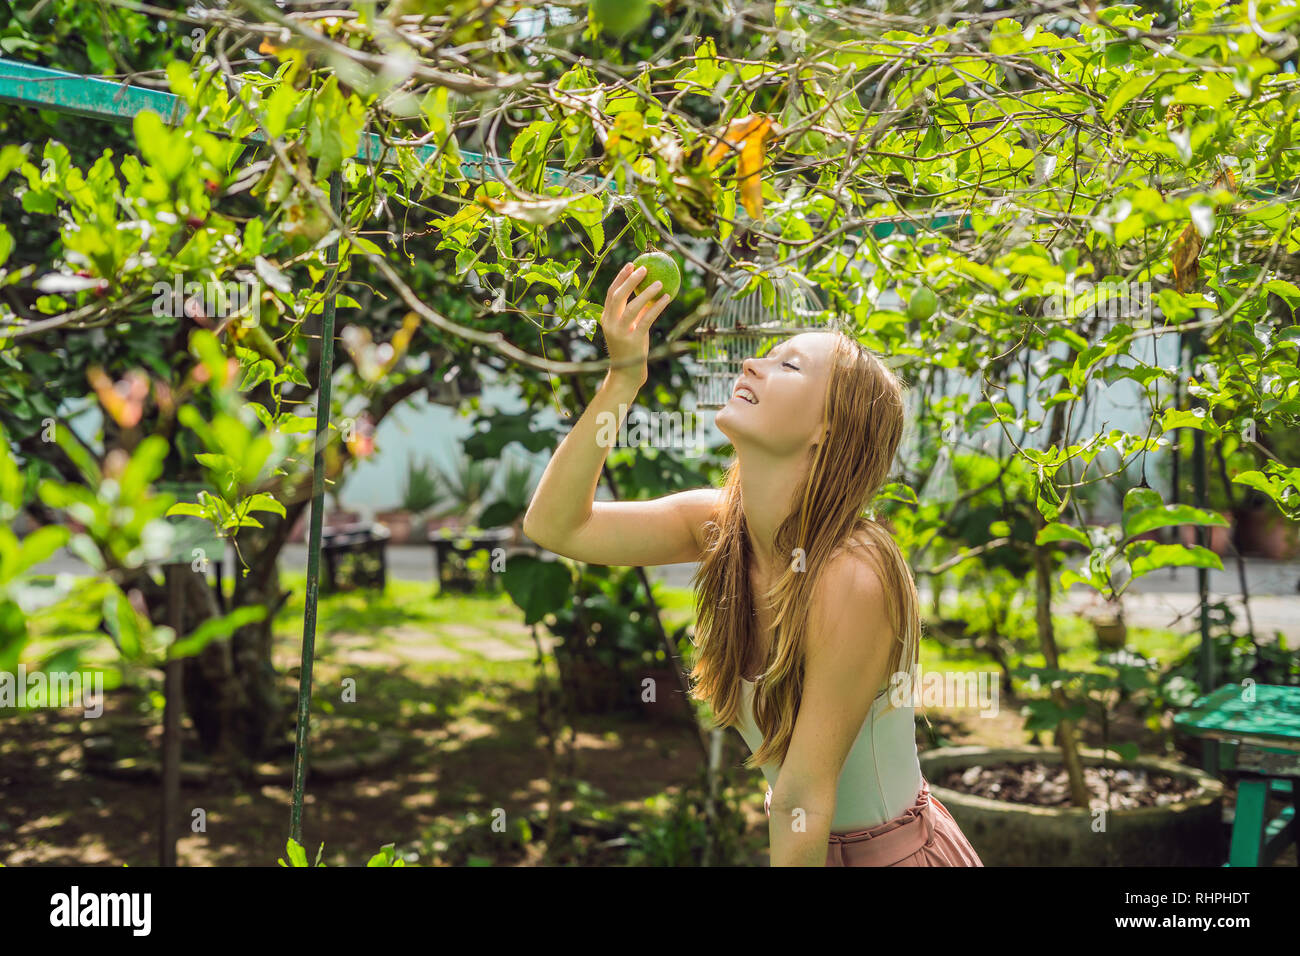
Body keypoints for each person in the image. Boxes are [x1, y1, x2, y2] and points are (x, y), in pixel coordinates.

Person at [523, 261, 983, 867]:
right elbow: (556, 524)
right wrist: (622, 378)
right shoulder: (721, 526)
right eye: (764, 355)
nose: (750, 364)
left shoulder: (852, 575)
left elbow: (803, 794)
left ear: (828, 427)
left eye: (788, 364)